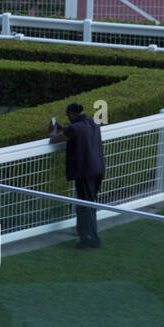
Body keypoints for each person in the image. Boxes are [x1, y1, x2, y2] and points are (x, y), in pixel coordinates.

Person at [49, 103, 106, 249]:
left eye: (68, 114)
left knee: (85, 205)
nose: (67, 117)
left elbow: (54, 140)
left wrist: (53, 131)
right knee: (90, 203)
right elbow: (76, 131)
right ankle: (88, 235)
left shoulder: (75, 128)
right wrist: (64, 128)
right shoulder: (93, 121)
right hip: (98, 169)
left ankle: (89, 239)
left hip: (85, 171)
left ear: (73, 114)